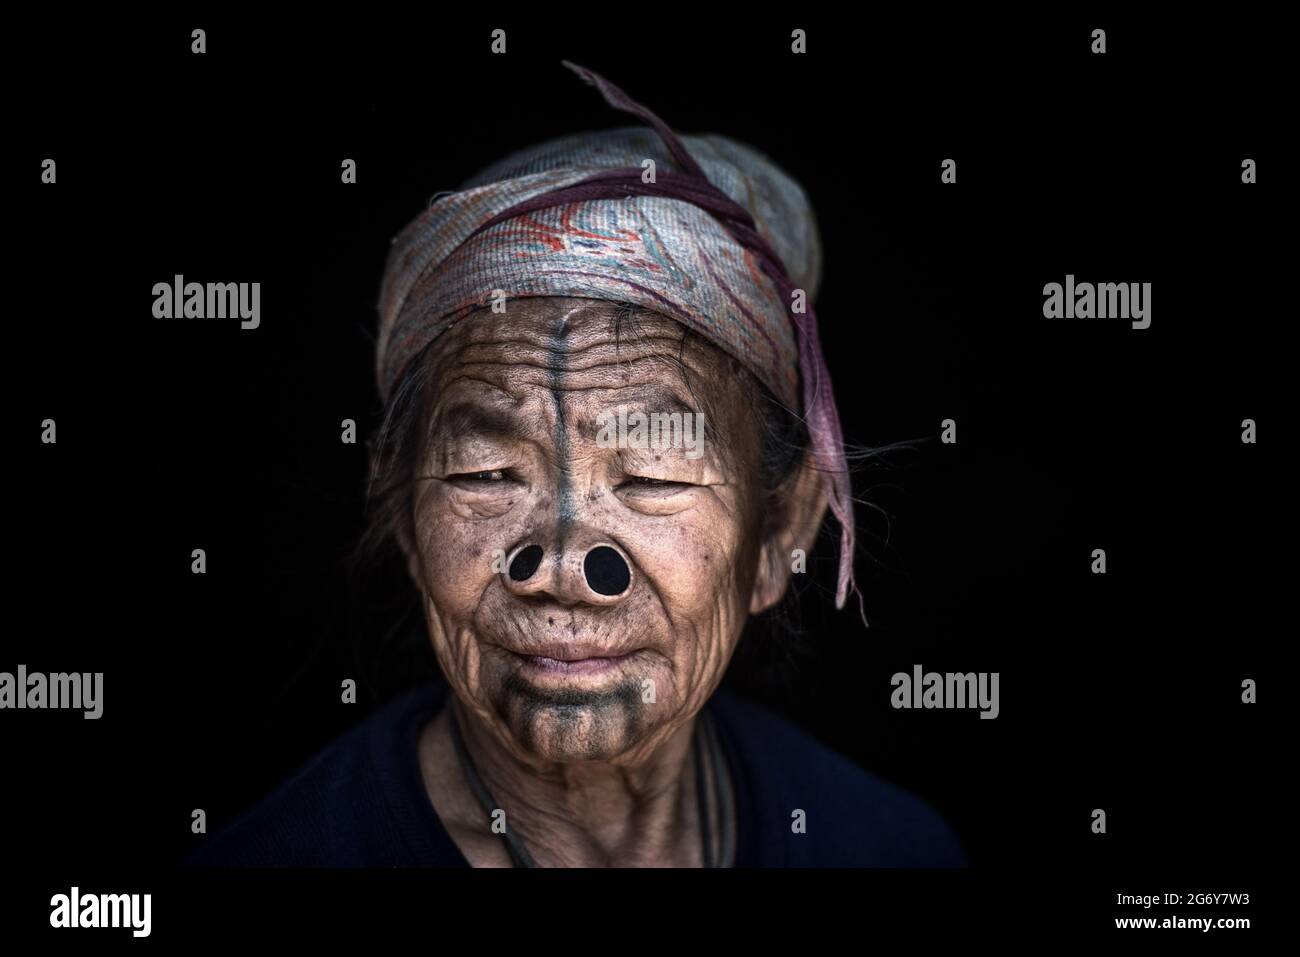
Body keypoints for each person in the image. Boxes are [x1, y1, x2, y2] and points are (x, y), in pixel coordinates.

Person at [186, 63, 966, 868]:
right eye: (488, 473)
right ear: (403, 515)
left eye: (653, 476)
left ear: (776, 532)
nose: (561, 566)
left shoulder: (888, 850)